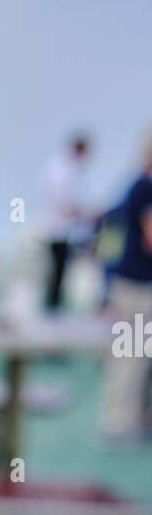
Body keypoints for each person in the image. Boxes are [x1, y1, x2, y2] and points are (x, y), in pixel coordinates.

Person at [100, 134, 152, 441]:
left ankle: (123, 419)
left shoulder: (136, 185)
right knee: (131, 359)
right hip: (136, 288)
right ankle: (120, 422)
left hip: (129, 284)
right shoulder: (146, 188)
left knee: (129, 357)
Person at [40, 134, 92, 310]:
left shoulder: (59, 167)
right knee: (58, 271)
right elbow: (65, 202)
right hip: (60, 228)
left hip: (61, 227)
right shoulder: (64, 170)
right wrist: (83, 213)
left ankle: (53, 305)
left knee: (58, 271)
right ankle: (52, 307)